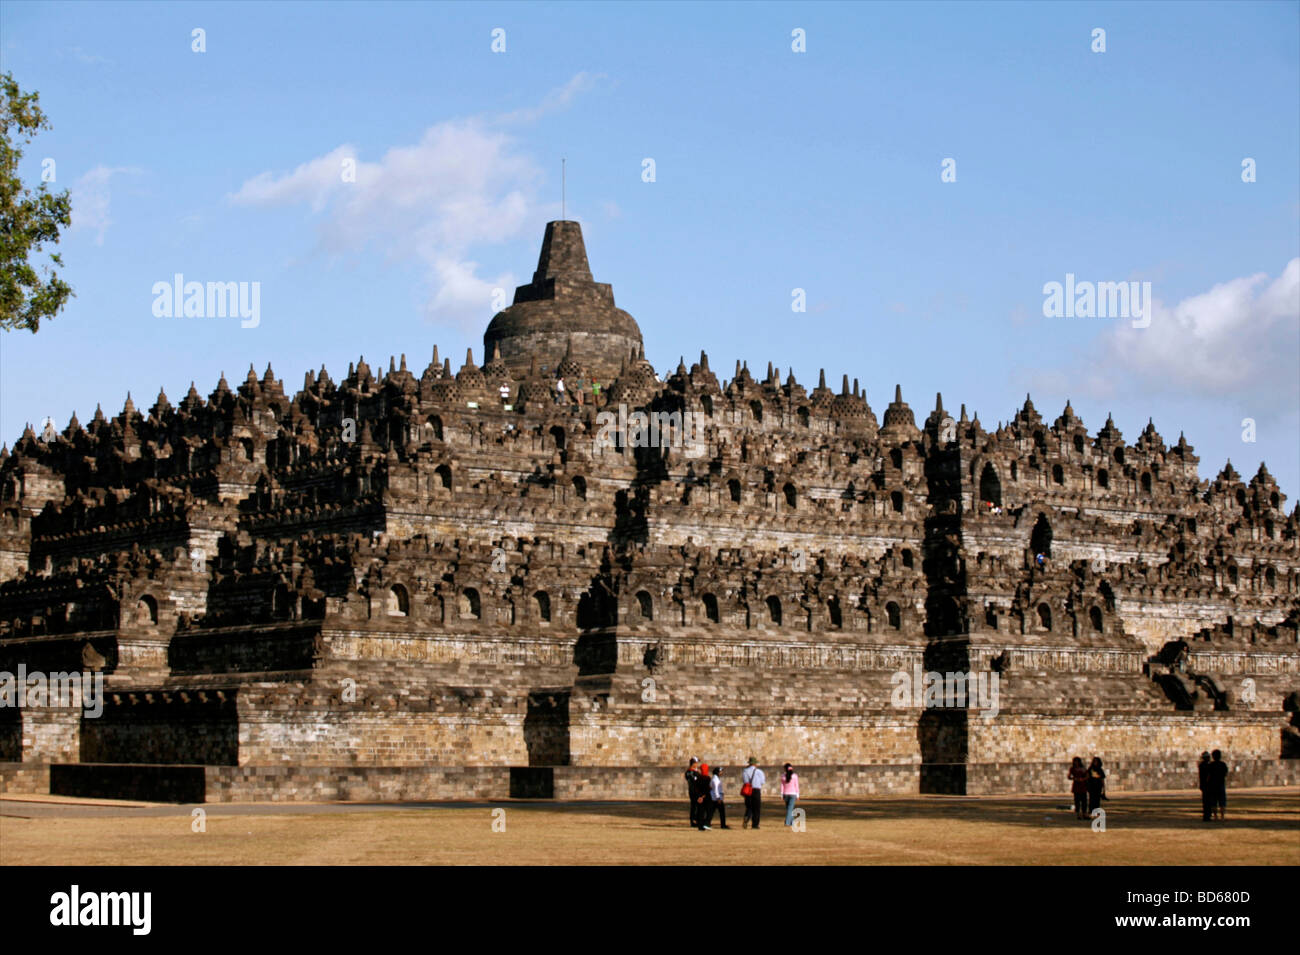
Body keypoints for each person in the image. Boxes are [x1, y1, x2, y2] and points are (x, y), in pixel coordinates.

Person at [741, 756, 765, 829]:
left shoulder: (745, 771)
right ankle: (755, 824)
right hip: (756, 790)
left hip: (748, 790)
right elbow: (762, 781)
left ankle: (747, 817)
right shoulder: (759, 771)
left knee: (749, 806)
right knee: (756, 808)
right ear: (755, 764)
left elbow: (745, 781)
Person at [1208, 749, 1229, 820]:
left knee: (1214, 801)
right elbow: (1225, 773)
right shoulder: (1223, 764)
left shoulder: (1211, 765)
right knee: (1222, 801)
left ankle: (1215, 816)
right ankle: (1222, 816)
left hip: (1213, 785)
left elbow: (1208, 775)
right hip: (1220, 784)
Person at [694, 760, 714, 830]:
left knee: (701, 811)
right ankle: (706, 823)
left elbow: (696, 789)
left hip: (699, 797)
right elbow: (708, 788)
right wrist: (704, 795)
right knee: (709, 810)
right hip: (707, 797)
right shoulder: (708, 779)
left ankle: (700, 825)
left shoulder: (698, 779)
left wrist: (699, 796)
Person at [781, 763, 799, 827]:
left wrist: (782, 794)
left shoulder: (783, 776)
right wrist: (798, 795)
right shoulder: (795, 776)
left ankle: (791, 822)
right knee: (790, 809)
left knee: (789, 809)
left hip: (786, 794)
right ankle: (787, 822)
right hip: (793, 794)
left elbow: (782, 786)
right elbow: (796, 785)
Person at [684, 758, 701, 828]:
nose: (697, 764)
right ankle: (694, 820)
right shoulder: (691, 772)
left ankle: (696, 819)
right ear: (693, 763)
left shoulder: (693, 772)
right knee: (695, 806)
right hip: (694, 790)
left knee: (696, 805)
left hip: (694, 790)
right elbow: (695, 781)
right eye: (696, 763)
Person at [1197, 751, 1213, 821]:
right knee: (1208, 801)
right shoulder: (1207, 766)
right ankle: (1208, 815)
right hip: (1207, 785)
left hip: (1204, 785)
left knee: (1205, 801)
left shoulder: (1201, 765)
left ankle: (1206, 815)